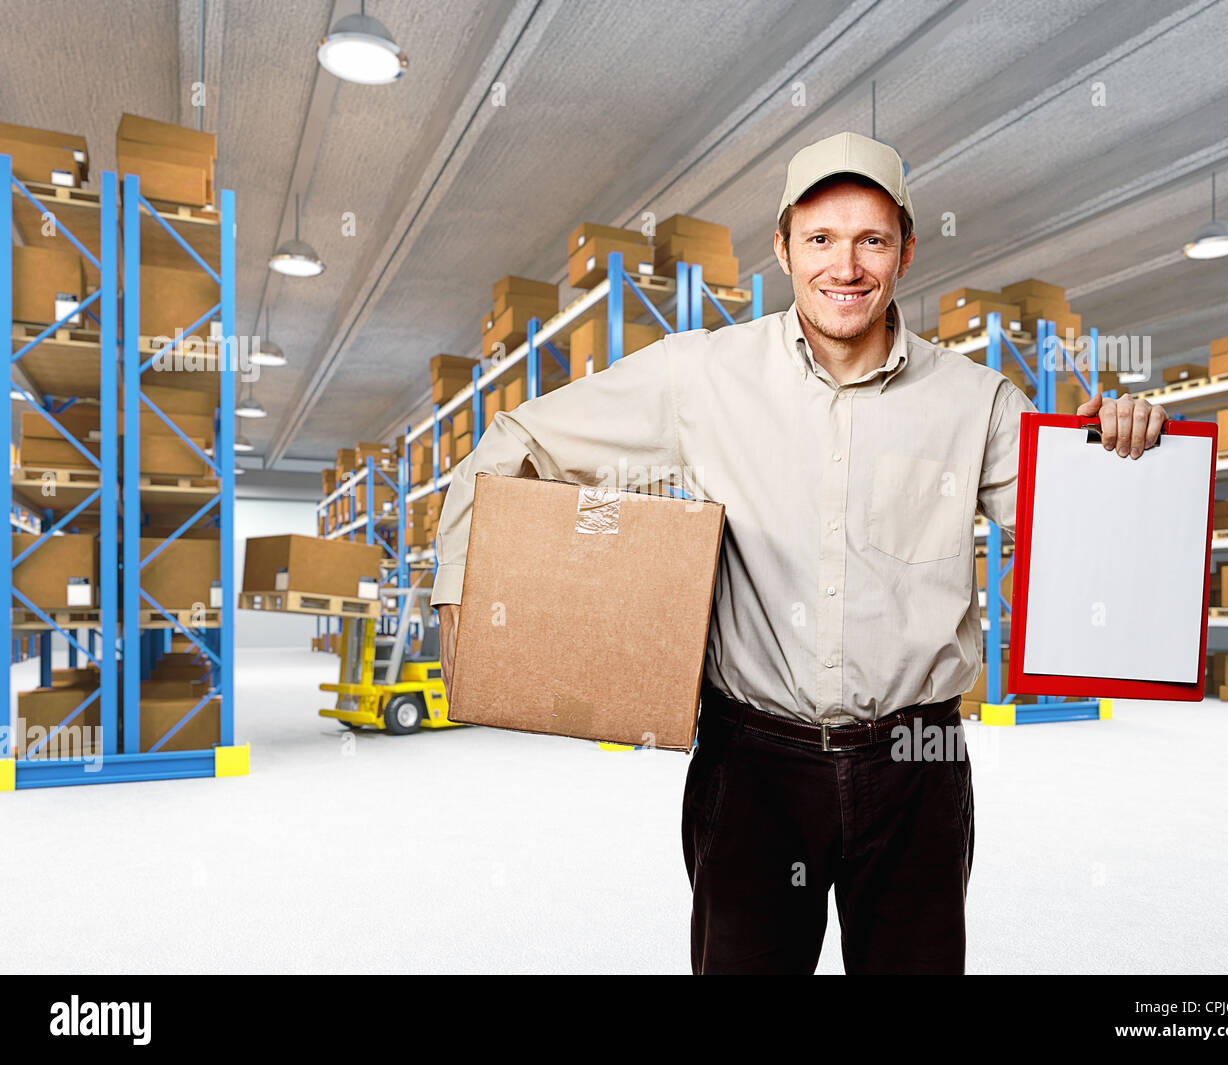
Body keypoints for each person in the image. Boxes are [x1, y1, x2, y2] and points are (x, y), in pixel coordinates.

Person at [430, 130, 1167, 974]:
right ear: (782, 248)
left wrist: (1122, 449)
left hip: (915, 766)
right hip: (753, 768)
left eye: (871, 240)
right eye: (820, 239)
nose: (845, 266)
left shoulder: (977, 402)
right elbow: (517, 439)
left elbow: (1078, 537)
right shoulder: (701, 377)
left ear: (906, 251)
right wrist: (466, 597)